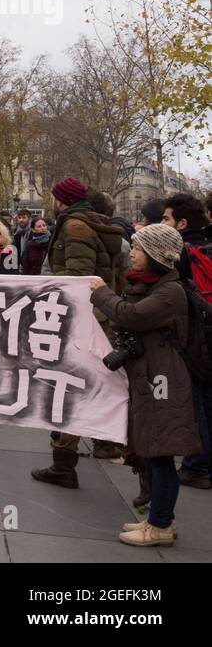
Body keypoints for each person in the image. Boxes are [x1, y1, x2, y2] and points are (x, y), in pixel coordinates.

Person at [88, 223, 201, 546]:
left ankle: (161, 525)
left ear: (155, 255)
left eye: (138, 248)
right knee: (152, 451)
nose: (133, 253)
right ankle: (159, 519)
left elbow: (132, 316)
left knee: (160, 452)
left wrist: (102, 292)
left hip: (164, 380)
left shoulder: (170, 291)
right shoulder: (151, 285)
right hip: (151, 375)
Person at [31, 177, 127, 487]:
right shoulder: (90, 222)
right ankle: (80, 453)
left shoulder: (75, 227)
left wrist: (63, 313)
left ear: (62, 200)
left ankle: (65, 463)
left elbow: (77, 277)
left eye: (54, 196)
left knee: (69, 387)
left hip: (82, 318)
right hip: (98, 316)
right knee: (86, 386)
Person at [161, 191, 212, 490]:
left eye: (166, 219)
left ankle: (196, 465)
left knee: (194, 402)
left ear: (181, 224)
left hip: (192, 335)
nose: (162, 224)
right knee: (208, 398)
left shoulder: (179, 254)